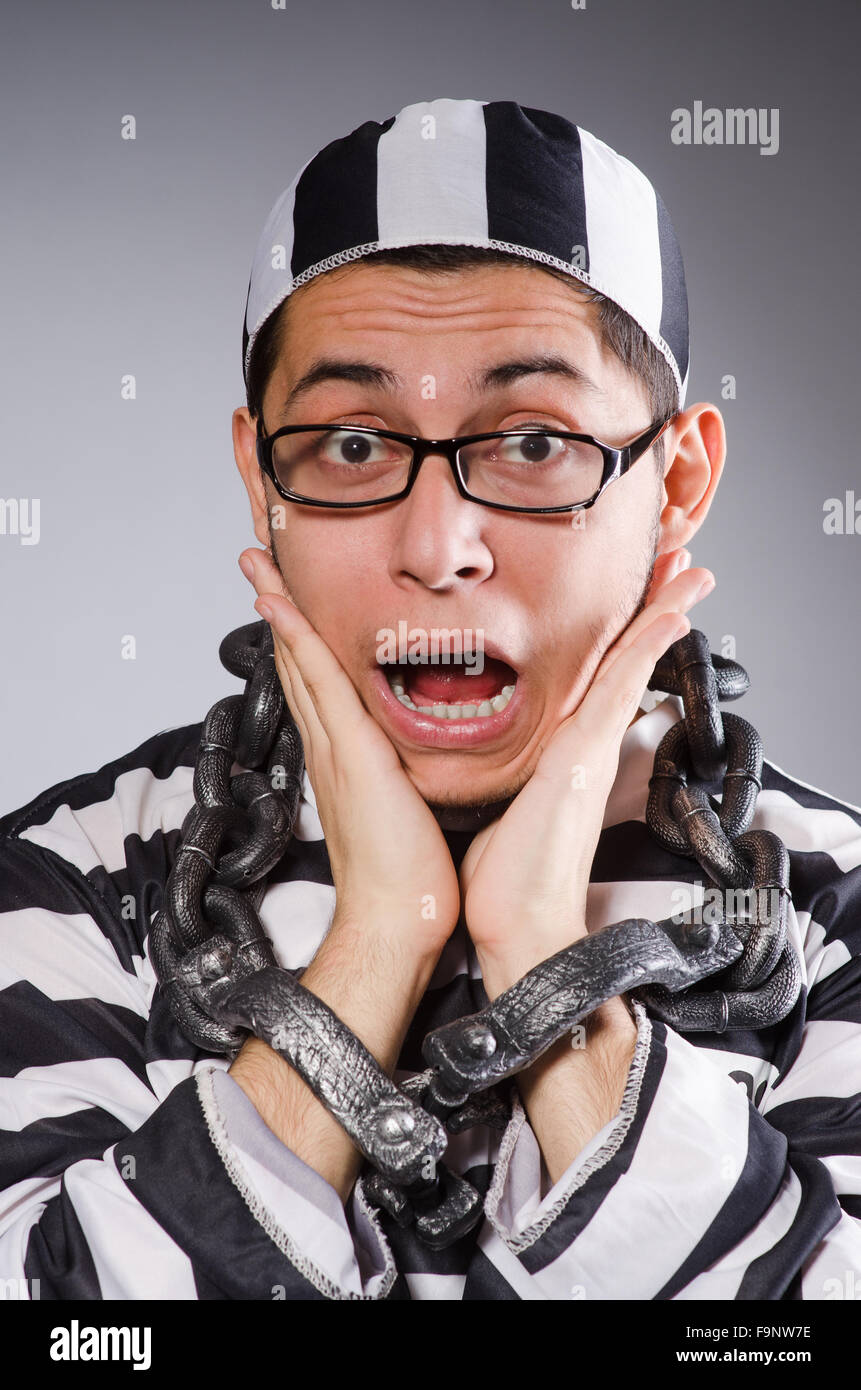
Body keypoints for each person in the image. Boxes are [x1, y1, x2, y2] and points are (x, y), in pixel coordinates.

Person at [1, 97, 859, 1302]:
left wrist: (546, 965)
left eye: (532, 442)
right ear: (262, 480)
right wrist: (375, 943)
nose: (440, 544)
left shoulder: (835, 919)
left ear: (677, 482)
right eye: (353, 444)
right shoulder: (69, 887)